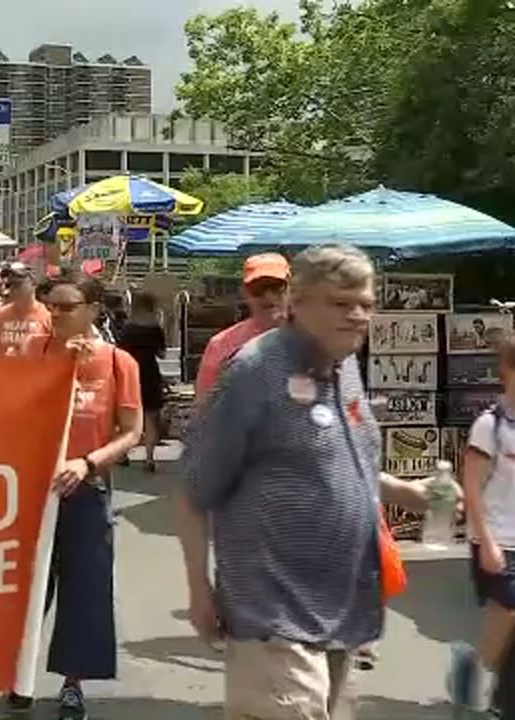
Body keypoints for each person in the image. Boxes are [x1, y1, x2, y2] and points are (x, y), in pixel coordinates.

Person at [177, 244, 442, 720]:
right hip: (273, 617)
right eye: (341, 303)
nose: (358, 315)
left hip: (344, 615)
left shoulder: (346, 366)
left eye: (366, 302)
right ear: (297, 302)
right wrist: (199, 592)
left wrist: (411, 494)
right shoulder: (253, 371)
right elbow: (195, 490)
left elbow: (340, 463)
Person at [8, 272, 142, 720]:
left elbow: (131, 433)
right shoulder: (34, 350)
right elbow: (13, 404)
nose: (58, 315)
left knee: (84, 587)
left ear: (93, 311)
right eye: (54, 307)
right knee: (27, 587)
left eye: (68, 307)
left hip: (85, 486)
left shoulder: (119, 362)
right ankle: (17, 676)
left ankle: (73, 683)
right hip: (34, 485)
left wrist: (87, 463)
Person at [449, 330, 515, 717]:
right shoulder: (490, 426)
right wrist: (485, 541)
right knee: (508, 611)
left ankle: (503, 702)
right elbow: (470, 486)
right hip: (497, 537)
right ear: (507, 370)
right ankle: (473, 665)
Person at [193, 253, 291, 402]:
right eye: (258, 289)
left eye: (276, 287)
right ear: (245, 293)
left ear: (291, 288)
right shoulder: (221, 345)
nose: (268, 295)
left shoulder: (315, 339)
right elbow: (203, 407)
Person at [116, 291, 167, 472]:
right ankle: (150, 458)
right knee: (151, 415)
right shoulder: (155, 328)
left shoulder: (128, 328)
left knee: (127, 413)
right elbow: (162, 354)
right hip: (150, 372)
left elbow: (119, 352)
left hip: (130, 372)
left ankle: (123, 454)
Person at [0, 263, 51, 357]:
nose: (12, 288)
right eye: (9, 284)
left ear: (34, 283)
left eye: (18, 283)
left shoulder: (48, 316)